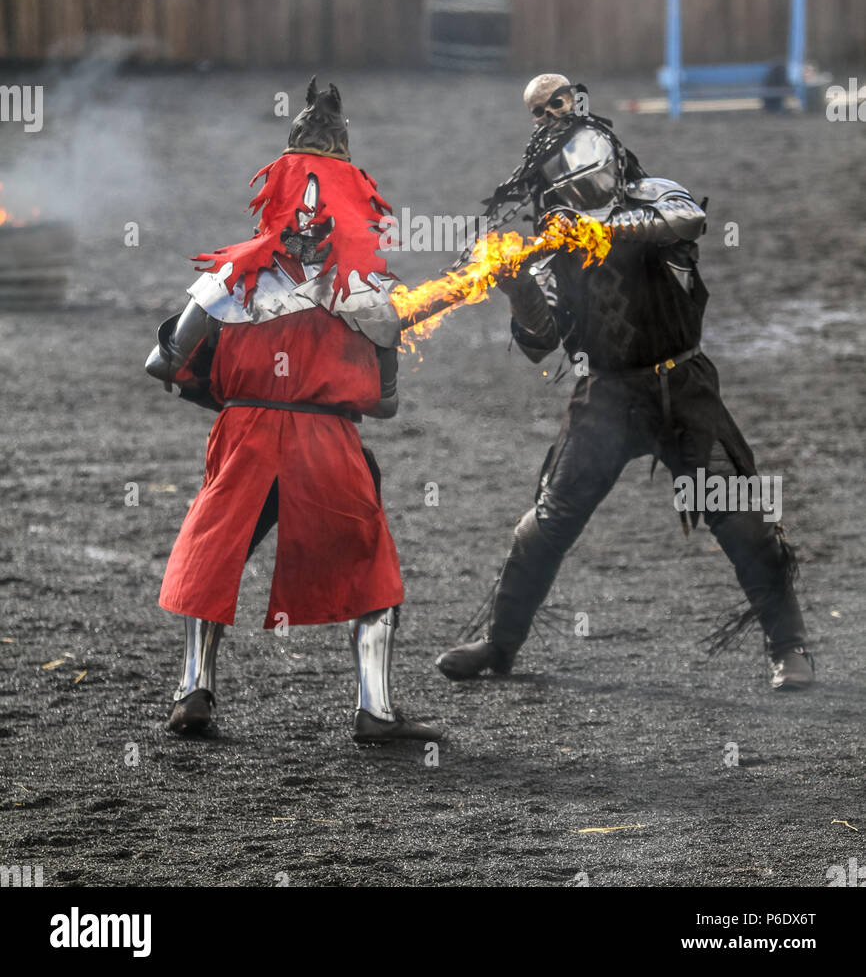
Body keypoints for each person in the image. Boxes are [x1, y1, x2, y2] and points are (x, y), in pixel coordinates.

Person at [437, 73, 813, 692]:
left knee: (738, 513)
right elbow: (540, 342)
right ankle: (499, 647)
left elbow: (687, 220)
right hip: (607, 393)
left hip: (682, 386)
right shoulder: (553, 249)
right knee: (546, 523)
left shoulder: (651, 195)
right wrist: (517, 284)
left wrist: (600, 232)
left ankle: (789, 645)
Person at [146, 78, 442, 743]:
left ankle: (194, 689)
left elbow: (161, 362)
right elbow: (387, 404)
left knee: (215, 555)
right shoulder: (371, 289)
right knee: (368, 566)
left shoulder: (229, 277)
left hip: (245, 433)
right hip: (327, 441)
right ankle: (376, 709)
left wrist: (228, 387)